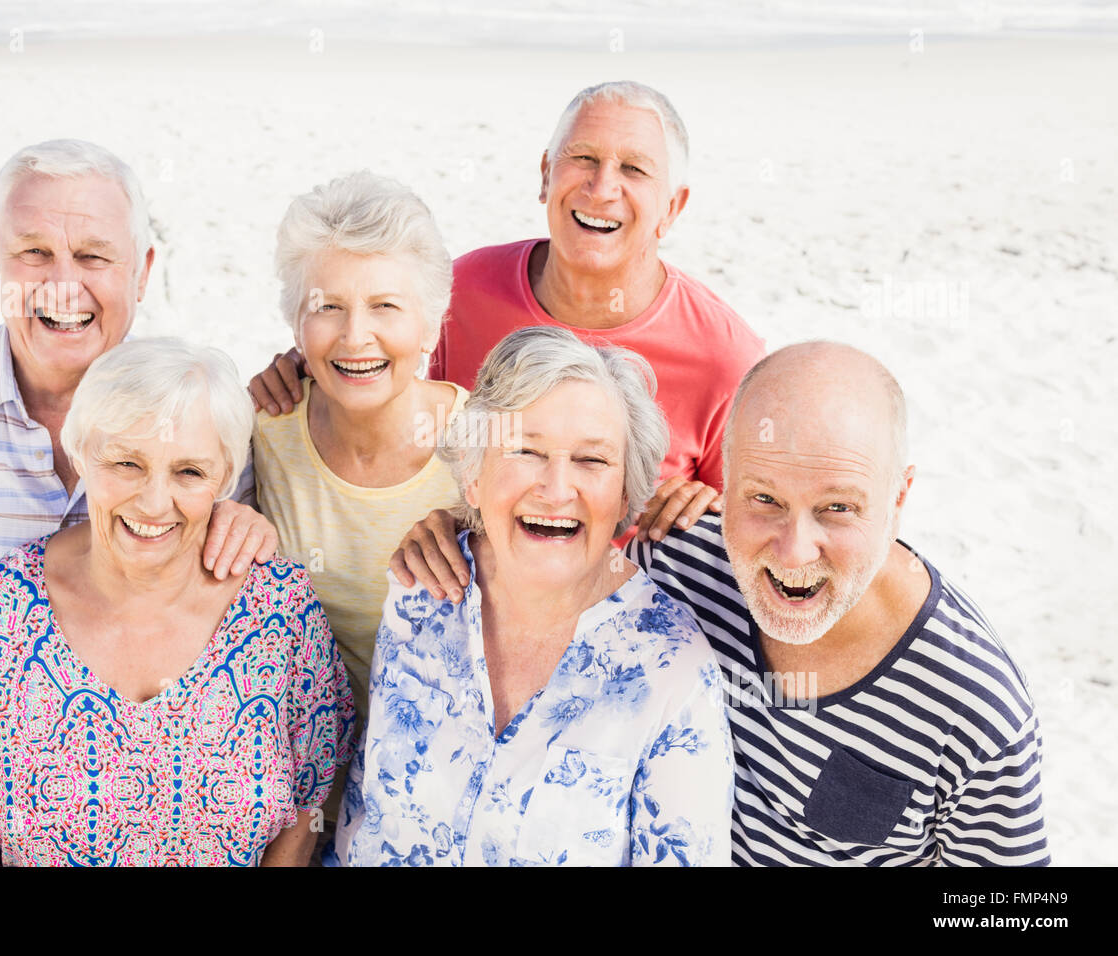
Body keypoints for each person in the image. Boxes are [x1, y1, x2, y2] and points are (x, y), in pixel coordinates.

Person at [0, 139, 277, 854]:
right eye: (34, 253)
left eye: (95, 256)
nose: (63, 286)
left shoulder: (208, 421)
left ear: (144, 271)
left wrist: (257, 526)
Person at [249, 81, 765, 547]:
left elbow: (758, 527)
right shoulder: (466, 288)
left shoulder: (727, 357)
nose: (602, 187)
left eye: (634, 169)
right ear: (545, 174)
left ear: (673, 207)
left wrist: (713, 508)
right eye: (582, 158)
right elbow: (389, 364)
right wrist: (315, 362)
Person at [0, 338, 354, 866]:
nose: (153, 501)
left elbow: (308, 801)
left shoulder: (282, 611)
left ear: (226, 477)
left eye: (189, 472)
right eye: (126, 462)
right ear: (81, 453)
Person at [629, 342, 1050, 865]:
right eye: (764, 499)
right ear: (724, 480)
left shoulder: (976, 708)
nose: (794, 550)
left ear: (898, 500)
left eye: (837, 507)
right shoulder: (669, 565)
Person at [329, 326, 733, 867]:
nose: (557, 487)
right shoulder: (417, 591)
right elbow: (366, 819)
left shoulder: (675, 670)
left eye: (592, 460)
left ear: (625, 496)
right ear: (473, 478)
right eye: (525, 450)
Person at [244, 170, 467, 729]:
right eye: (327, 308)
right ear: (296, 326)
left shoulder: (488, 446)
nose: (355, 336)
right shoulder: (262, 431)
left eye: (385, 306)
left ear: (431, 328)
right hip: (306, 781)